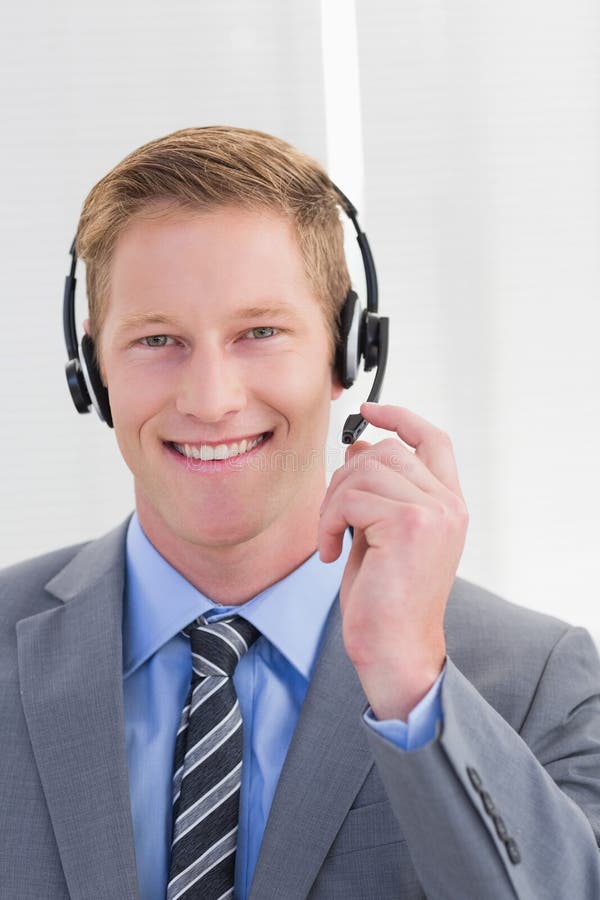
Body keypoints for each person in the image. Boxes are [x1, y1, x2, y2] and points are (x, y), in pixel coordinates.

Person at [1, 126, 599, 900]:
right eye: (157, 339)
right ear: (93, 370)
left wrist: (412, 682)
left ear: (347, 352)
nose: (211, 400)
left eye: (261, 332)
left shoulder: (537, 682)